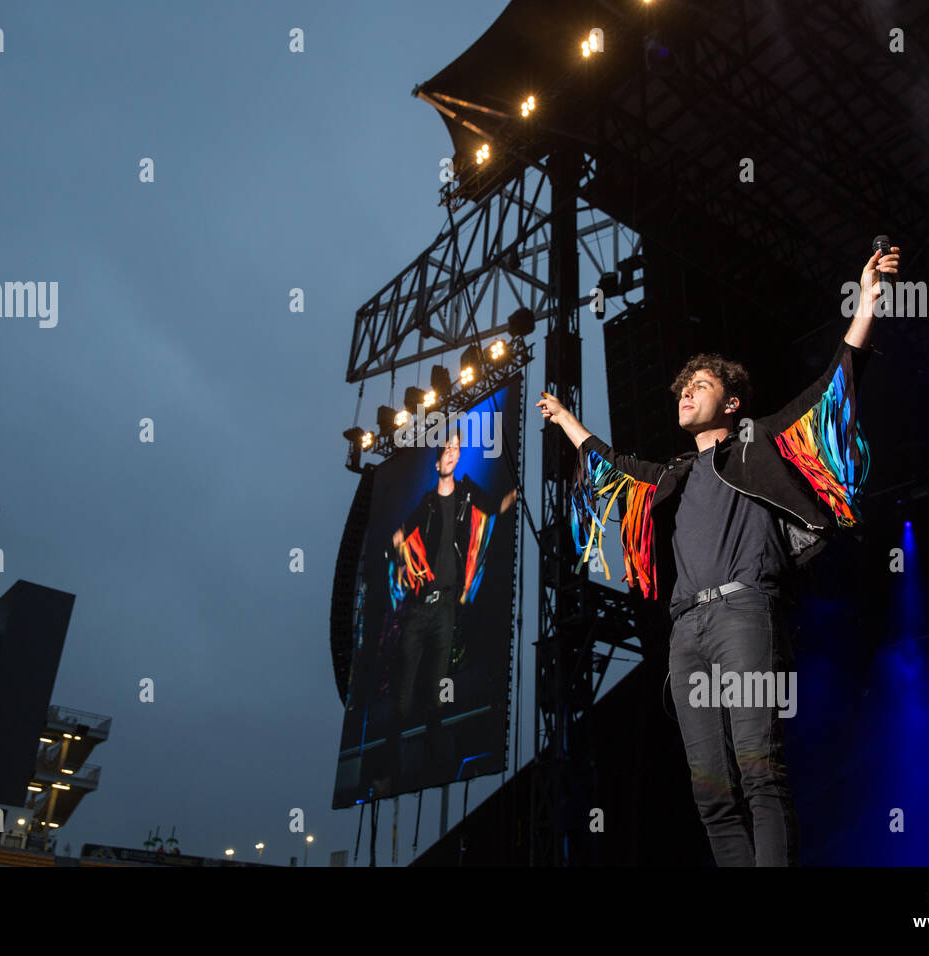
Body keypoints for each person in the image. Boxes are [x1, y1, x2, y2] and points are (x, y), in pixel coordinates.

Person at [537, 245, 899, 866]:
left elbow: (837, 380)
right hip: (686, 633)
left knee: (759, 767)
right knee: (709, 790)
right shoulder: (670, 475)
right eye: (682, 389)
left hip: (744, 612)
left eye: (699, 387)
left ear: (730, 403)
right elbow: (610, 465)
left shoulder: (759, 443)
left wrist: (867, 301)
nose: (685, 395)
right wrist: (567, 419)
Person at [377, 429, 517, 795]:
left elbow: (496, 508)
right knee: (404, 696)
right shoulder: (424, 504)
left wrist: (519, 491)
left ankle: (435, 769)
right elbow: (396, 538)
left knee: (439, 691)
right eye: (447, 448)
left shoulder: (469, 492)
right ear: (438, 461)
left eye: (457, 448)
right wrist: (401, 558)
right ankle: (389, 770)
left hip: (446, 610)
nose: (453, 452)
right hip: (418, 609)